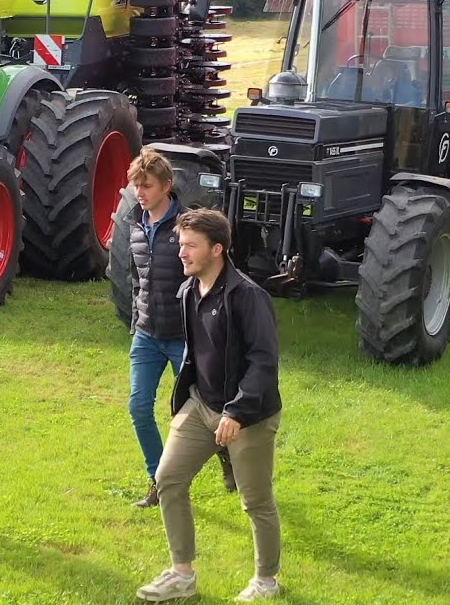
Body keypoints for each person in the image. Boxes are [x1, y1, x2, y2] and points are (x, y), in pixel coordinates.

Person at [136, 209, 284, 603]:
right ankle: (182, 575)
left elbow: (264, 362)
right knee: (168, 478)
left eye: (190, 246)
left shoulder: (247, 296)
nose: (181, 253)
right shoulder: (188, 292)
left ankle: (267, 581)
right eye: (180, 244)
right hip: (200, 406)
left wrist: (237, 412)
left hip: (249, 415)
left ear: (217, 249)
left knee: (256, 500)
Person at [125, 149, 236, 509]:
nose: (140, 193)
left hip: (183, 337)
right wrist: (134, 320)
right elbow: (136, 279)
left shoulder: (189, 231)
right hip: (146, 335)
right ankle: (159, 482)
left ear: (167, 186)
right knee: (139, 408)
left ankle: (226, 455)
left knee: (200, 412)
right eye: (136, 186)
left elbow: (213, 279)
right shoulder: (135, 225)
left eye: (146, 186)